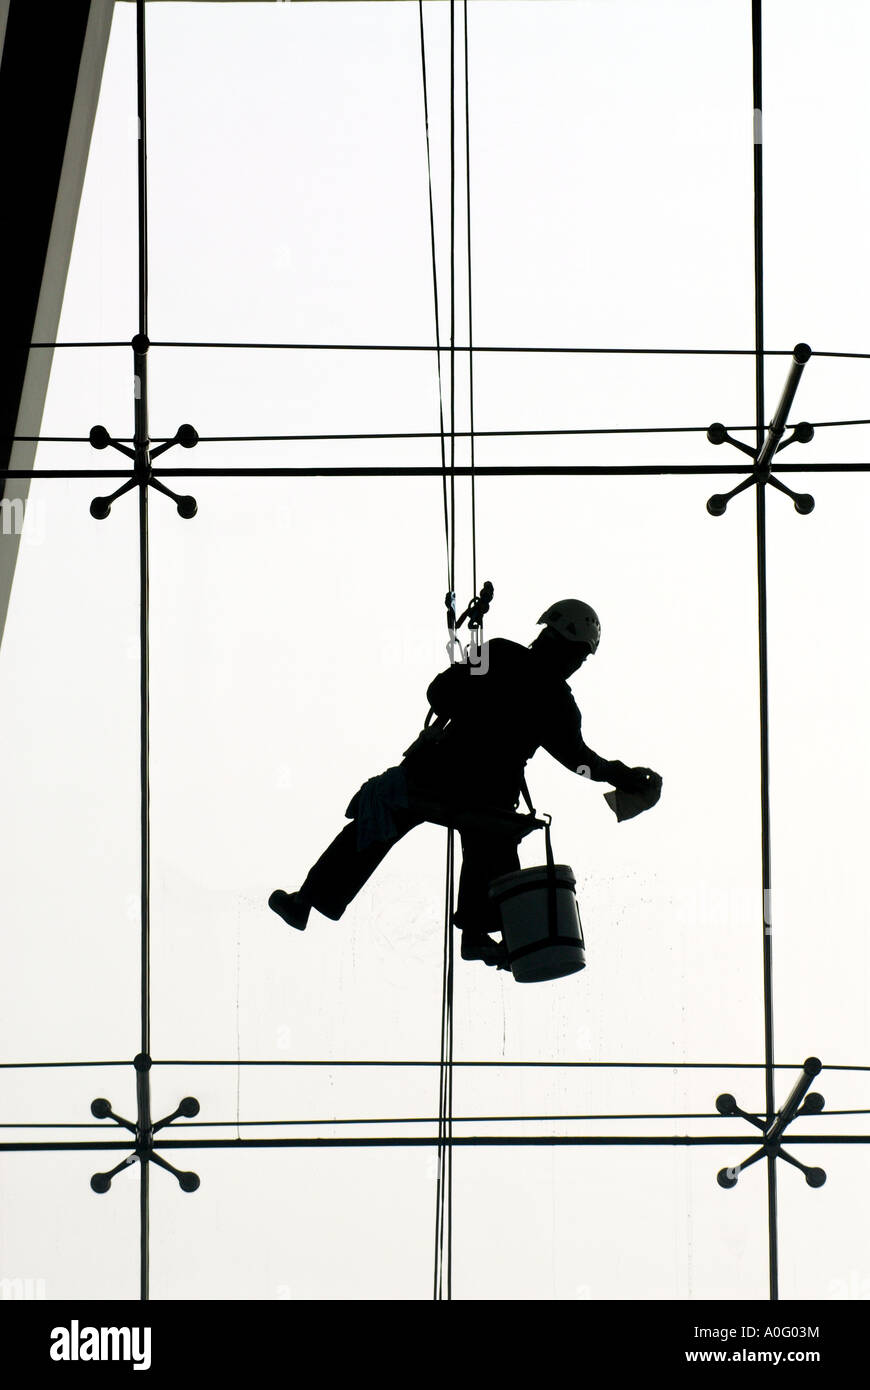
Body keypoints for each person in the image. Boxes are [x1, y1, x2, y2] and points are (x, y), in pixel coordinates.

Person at [269, 600, 661, 968]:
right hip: (489, 792)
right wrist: (621, 774)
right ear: (567, 648)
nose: (577, 665)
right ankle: (477, 933)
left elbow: (438, 694)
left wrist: (472, 687)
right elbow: (579, 762)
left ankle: (306, 900)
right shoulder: (557, 701)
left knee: (378, 818)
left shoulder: (499, 653)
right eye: (578, 656)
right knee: (494, 847)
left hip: (438, 773)